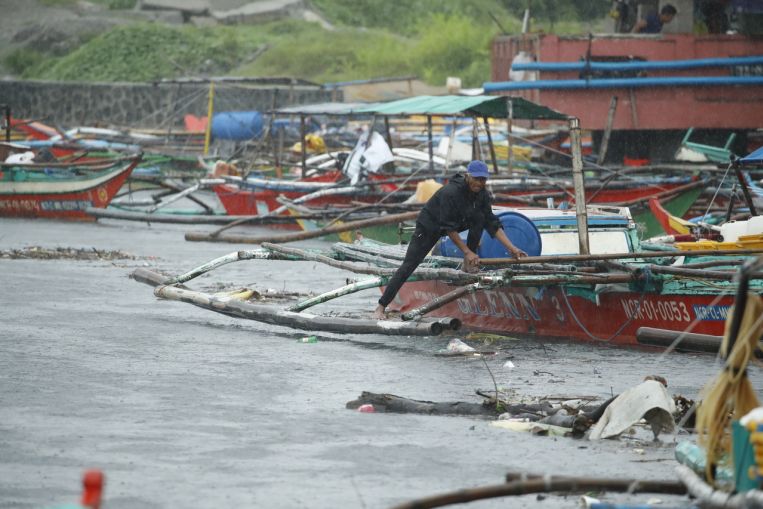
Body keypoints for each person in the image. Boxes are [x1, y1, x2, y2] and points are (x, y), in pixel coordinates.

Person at [373, 160, 527, 319]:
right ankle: (381, 306)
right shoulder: (450, 192)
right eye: (476, 179)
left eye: (483, 180)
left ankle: (468, 266)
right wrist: (466, 251)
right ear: (468, 176)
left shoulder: (483, 195)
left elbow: (492, 224)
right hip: (429, 227)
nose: (479, 183)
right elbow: (448, 227)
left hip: (457, 223)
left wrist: (512, 248)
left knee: (481, 218)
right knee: (409, 266)